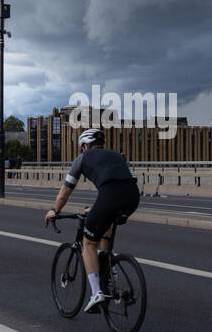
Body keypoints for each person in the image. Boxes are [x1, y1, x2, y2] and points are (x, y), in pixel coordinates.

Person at [43, 129, 140, 314]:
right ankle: (109, 269)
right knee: (104, 232)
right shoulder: (117, 155)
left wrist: (55, 210)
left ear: (85, 145)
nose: (81, 150)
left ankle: (96, 293)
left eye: (82, 147)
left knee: (88, 244)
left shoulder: (82, 159)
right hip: (132, 197)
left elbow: (65, 191)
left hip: (110, 197)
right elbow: (116, 183)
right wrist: (96, 208)